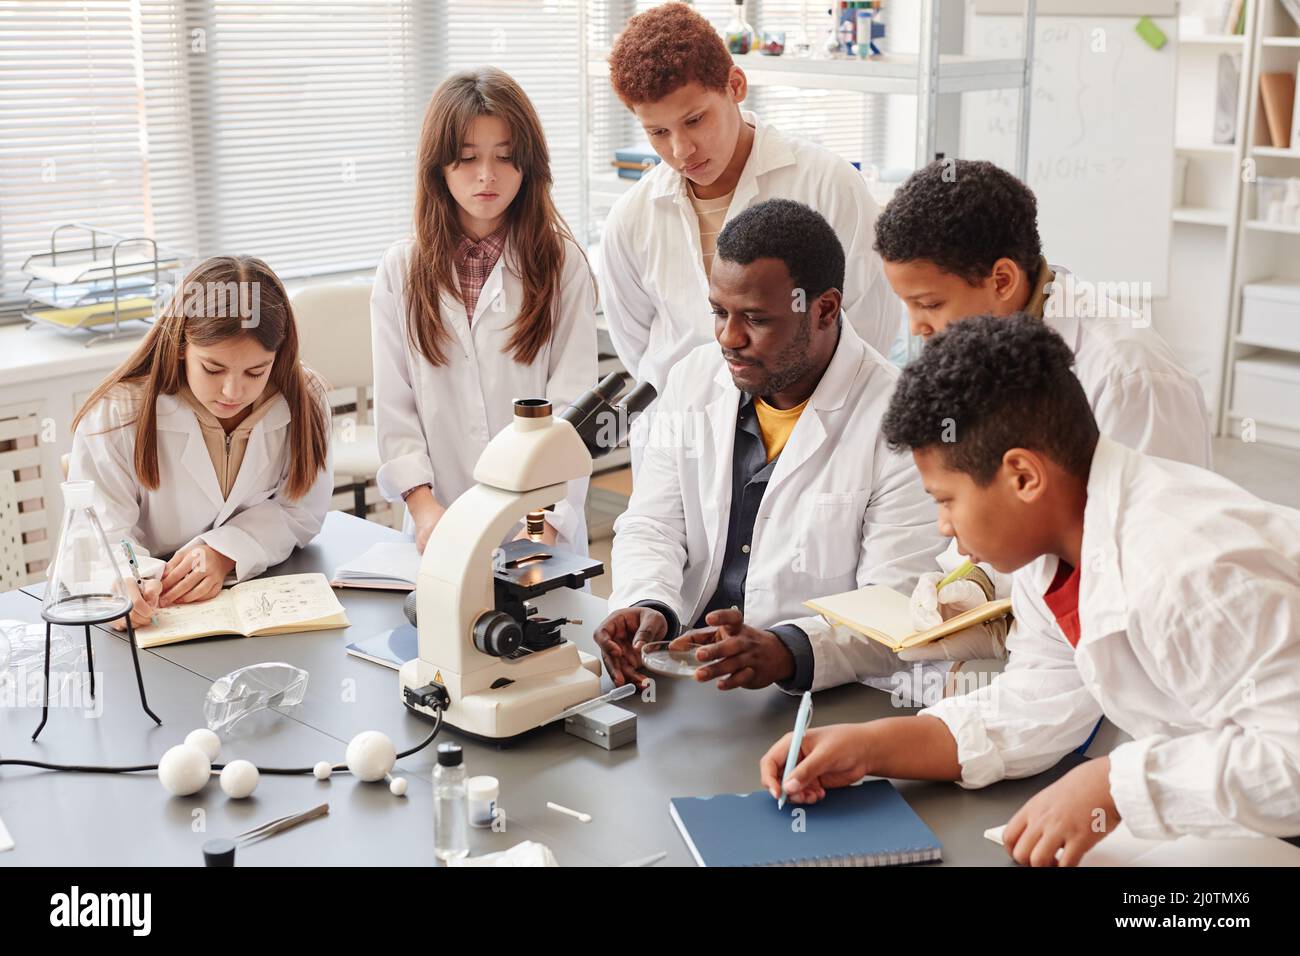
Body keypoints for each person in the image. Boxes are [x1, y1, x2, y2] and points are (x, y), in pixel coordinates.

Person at [761, 314, 1300, 865]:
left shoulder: (1186, 567)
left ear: (1023, 476)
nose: (943, 527)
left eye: (946, 500)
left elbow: (1292, 758)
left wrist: (1114, 785)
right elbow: (1031, 707)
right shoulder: (1054, 557)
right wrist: (870, 747)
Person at [593, 199, 943, 694]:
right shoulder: (695, 378)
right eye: (718, 312)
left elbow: (896, 604)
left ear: (823, 309)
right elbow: (653, 523)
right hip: (688, 678)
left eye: (756, 319)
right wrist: (649, 604)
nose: (728, 338)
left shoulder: (904, 422)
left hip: (818, 698)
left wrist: (787, 650)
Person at [600, 2, 901, 444]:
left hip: (811, 439)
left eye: (695, 120)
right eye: (657, 132)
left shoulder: (828, 184)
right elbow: (638, 346)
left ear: (735, 85)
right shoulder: (632, 217)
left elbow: (868, 328)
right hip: (682, 443)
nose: (681, 150)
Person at [371, 67, 598, 553]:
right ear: (438, 166)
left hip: (539, 522)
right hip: (440, 521)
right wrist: (425, 508)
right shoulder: (400, 270)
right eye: (468, 158)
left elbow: (571, 406)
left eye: (506, 158)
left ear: (529, 165)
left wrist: (543, 527)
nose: (487, 176)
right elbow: (396, 407)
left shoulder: (563, 265)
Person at [69, 255, 333, 630]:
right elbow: (98, 535)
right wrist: (126, 582)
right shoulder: (116, 414)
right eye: (213, 368)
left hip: (250, 599)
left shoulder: (304, 398)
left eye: (256, 371)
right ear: (180, 345)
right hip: (153, 614)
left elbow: (302, 511)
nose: (233, 391)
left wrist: (226, 550)